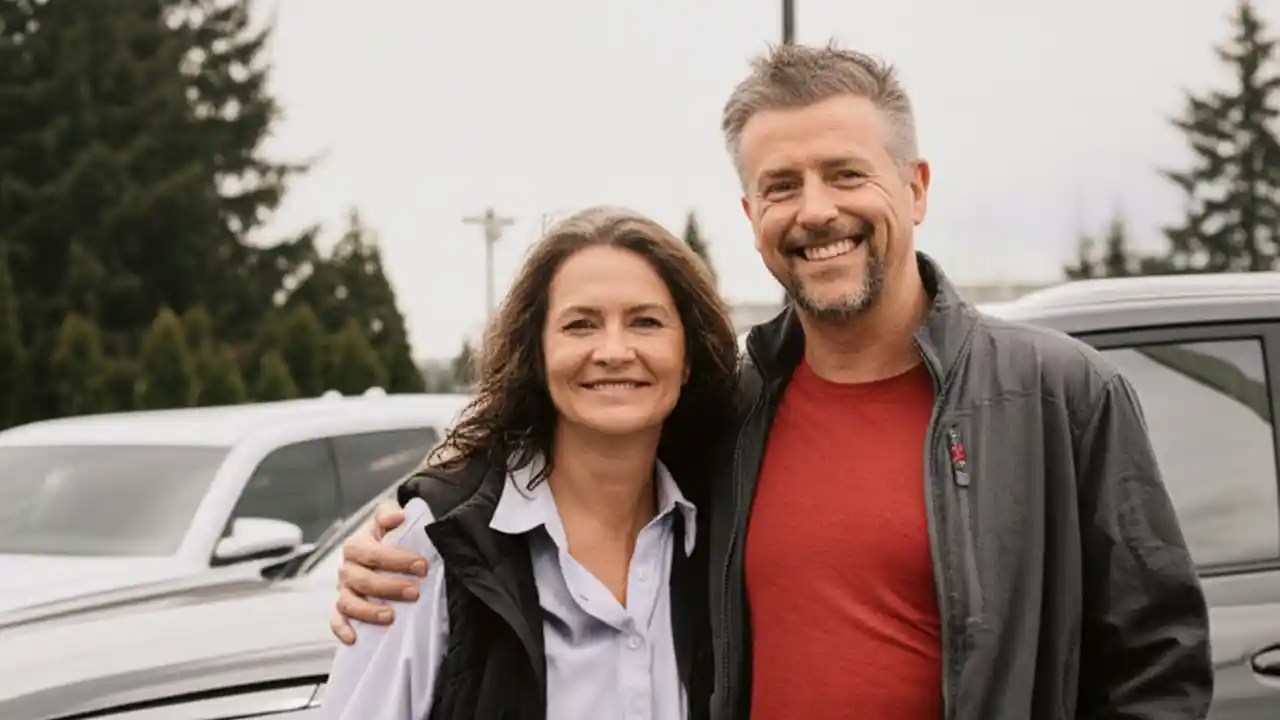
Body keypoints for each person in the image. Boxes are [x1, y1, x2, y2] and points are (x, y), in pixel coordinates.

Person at [330, 44, 1213, 719]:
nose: (816, 210)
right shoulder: (727, 410)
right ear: (751, 216)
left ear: (915, 186)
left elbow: (1157, 665)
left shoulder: (1060, 397)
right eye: (780, 185)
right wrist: (419, 513)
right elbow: (572, 442)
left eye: (845, 174)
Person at [321, 206, 739, 719]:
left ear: (688, 355)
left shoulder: (721, 533)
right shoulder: (434, 544)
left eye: (645, 322)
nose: (613, 350)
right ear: (537, 354)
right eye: (580, 325)